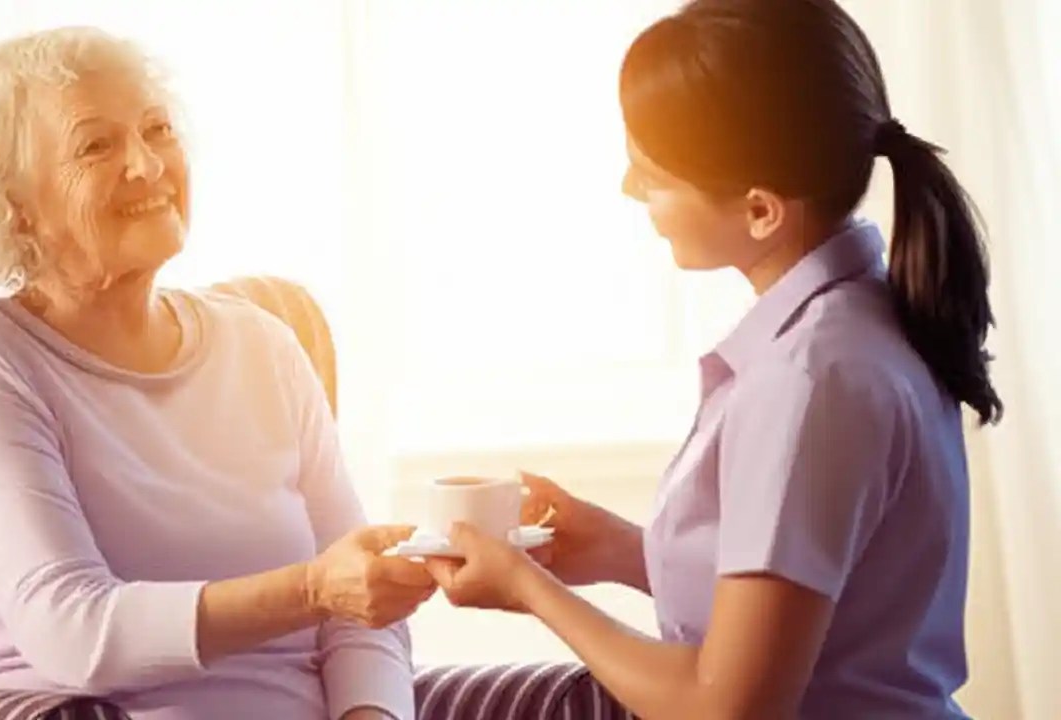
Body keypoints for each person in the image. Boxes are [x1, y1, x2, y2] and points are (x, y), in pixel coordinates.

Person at [424, 1, 1001, 718]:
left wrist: (531, 589)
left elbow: (728, 707)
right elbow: (800, 610)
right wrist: (614, 550)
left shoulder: (811, 380)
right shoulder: (867, 320)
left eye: (653, 174)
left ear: (761, 211)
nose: (630, 190)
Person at [0, 27, 431, 720]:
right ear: (16, 206)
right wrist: (313, 589)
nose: (147, 165)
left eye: (156, 129)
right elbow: (73, 633)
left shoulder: (262, 345)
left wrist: (369, 714)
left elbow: (363, 605)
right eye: (96, 145)